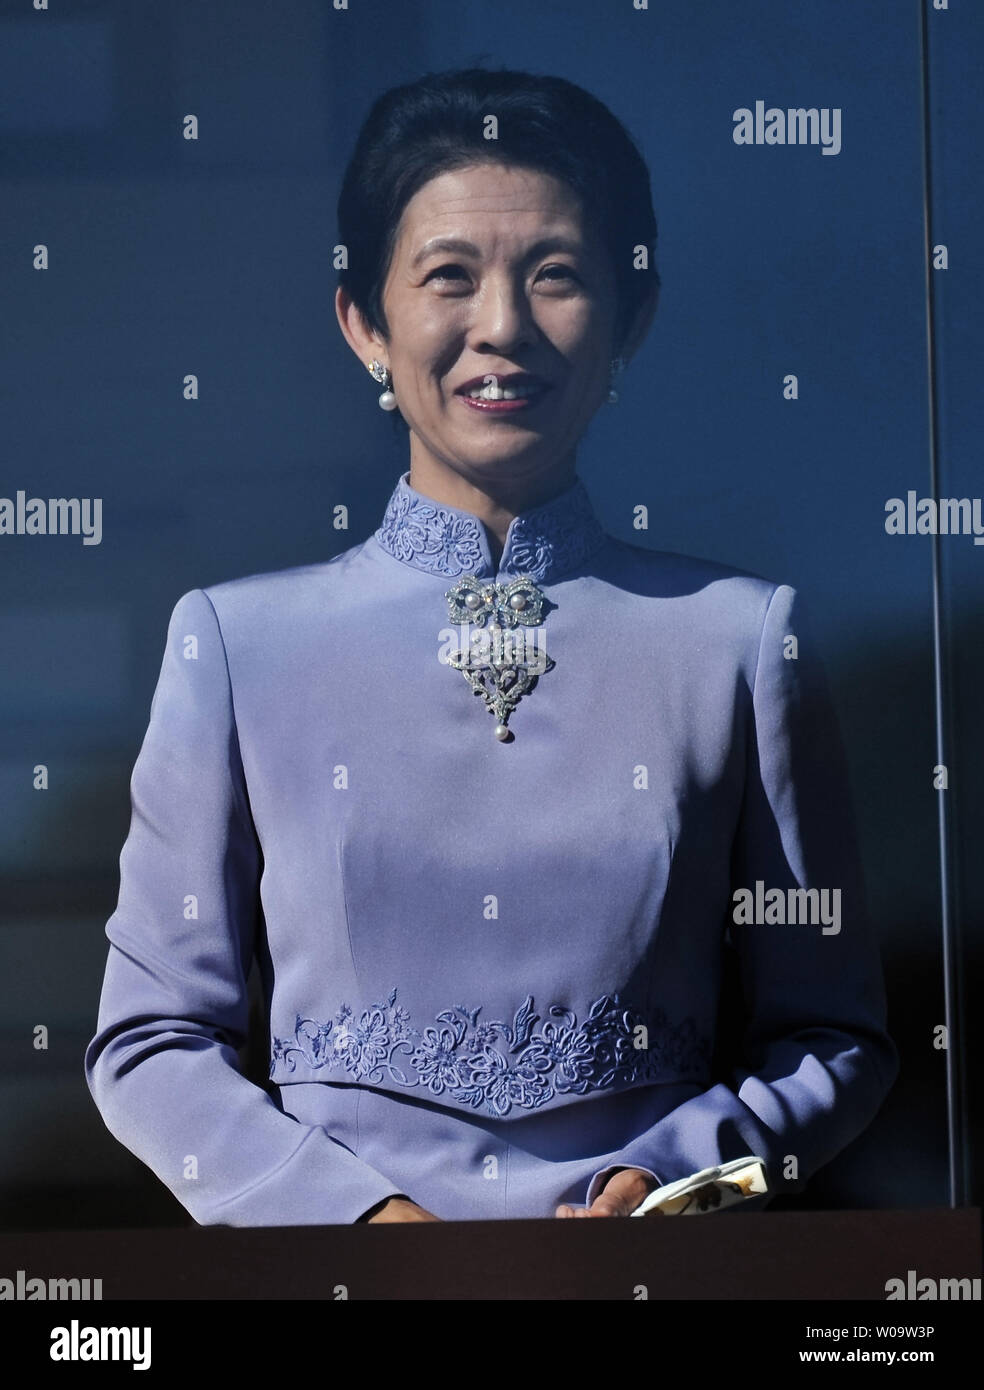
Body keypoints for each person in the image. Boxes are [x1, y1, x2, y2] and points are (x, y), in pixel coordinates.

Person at [85, 67, 898, 1226]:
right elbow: (150, 1039)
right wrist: (359, 1228)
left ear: (633, 318)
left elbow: (830, 1036)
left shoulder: (739, 643)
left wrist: (676, 1171)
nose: (502, 327)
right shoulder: (233, 644)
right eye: (449, 278)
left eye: (556, 276)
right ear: (363, 321)